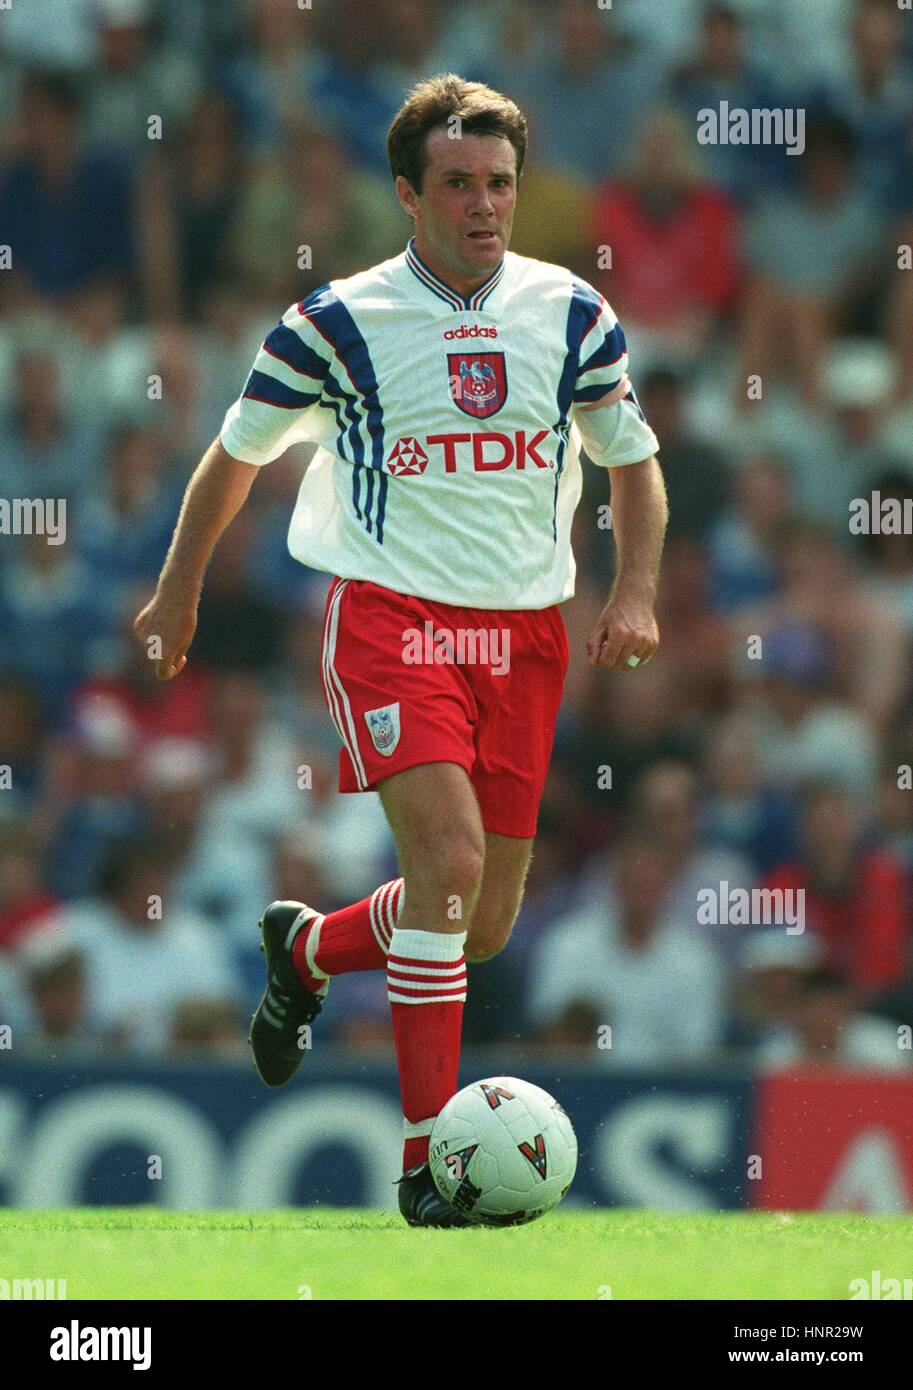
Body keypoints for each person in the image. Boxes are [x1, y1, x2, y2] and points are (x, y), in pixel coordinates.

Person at [133, 75, 665, 1226]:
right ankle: (429, 1162)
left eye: (502, 184)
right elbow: (234, 456)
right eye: (461, 184)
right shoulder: (335, 321)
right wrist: (177, 589)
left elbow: (633, 460)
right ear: (409, 194)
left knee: (477, 922)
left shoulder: (572, 311)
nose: (486, 205)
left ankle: (308, 950)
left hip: (525, 633)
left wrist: (636, 591)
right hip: (393, 620)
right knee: (452, 866)